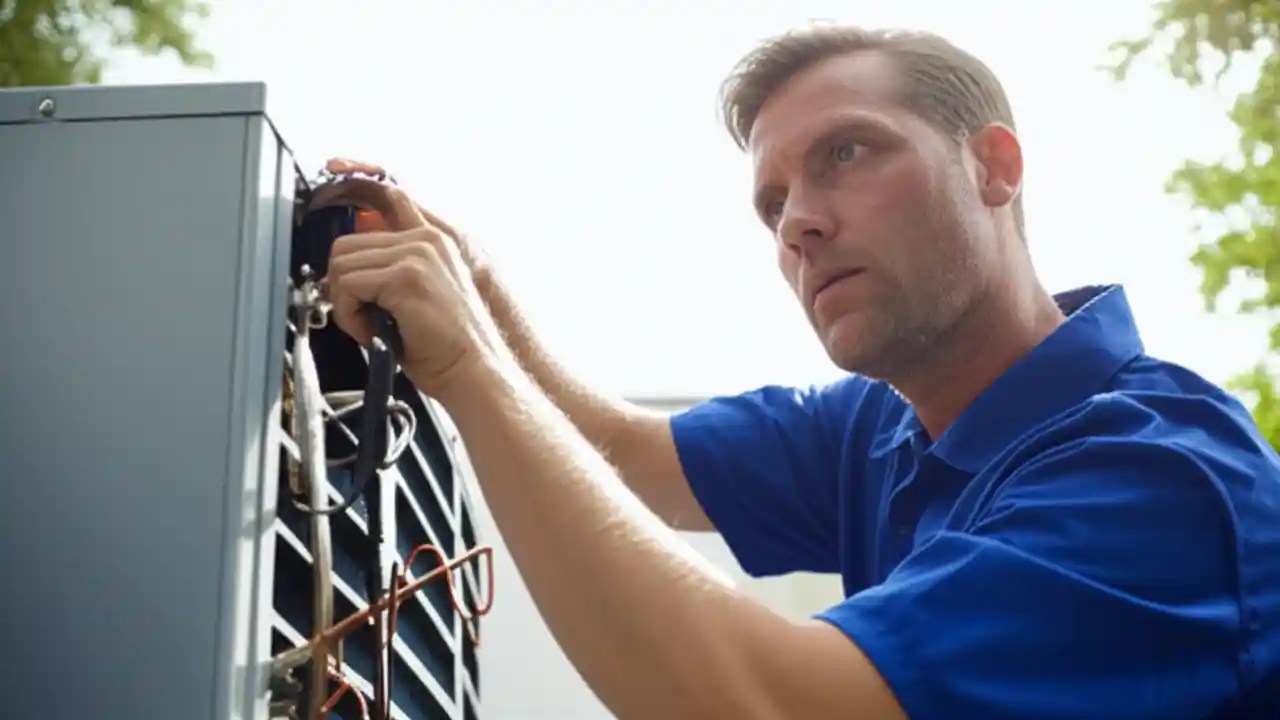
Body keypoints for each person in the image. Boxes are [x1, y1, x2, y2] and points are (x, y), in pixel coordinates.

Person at [315, 24, 1280, 720]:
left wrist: (468, 362)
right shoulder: (881, 426)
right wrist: (468, 281)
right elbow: (614, 451)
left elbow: (767, 706)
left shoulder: (1159, 474)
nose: (798, 224)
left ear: (994, 167)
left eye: (846, 153)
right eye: (772, 203)